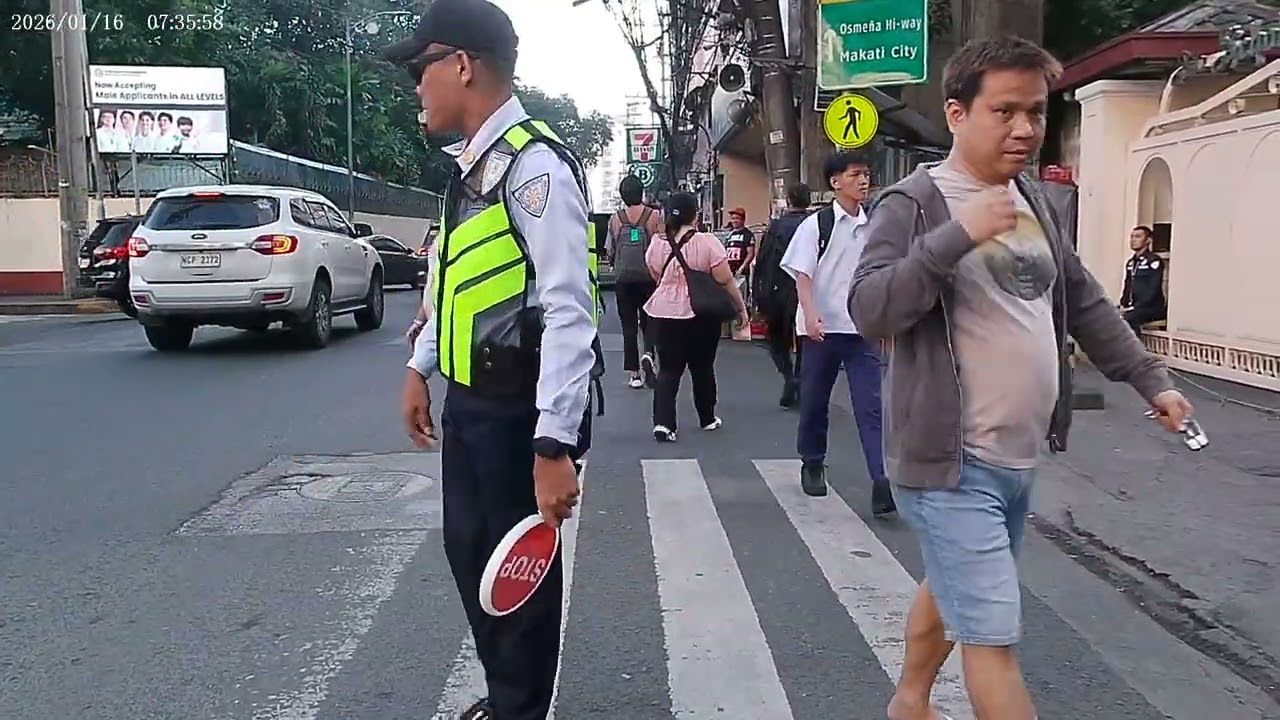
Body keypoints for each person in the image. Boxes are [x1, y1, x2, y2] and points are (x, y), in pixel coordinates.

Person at [848, 37, 1195, 720]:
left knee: (950, 590)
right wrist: (957, 235)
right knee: (991, 636)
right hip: (949, 463)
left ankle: (909, 702)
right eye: (1004, 111)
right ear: (956, 113)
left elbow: (1083, 299)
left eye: (1035, 112)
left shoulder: (1030, 194)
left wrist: (1152, 380)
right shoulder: (913, 203)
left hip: (1014, 456)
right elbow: (870, 308)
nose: (1026, 129)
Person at [388, 1, 602, 718]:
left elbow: (572, 310)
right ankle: (506, 696)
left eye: (422, 69)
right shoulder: (467, 173)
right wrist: (421, 366)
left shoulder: (536, 170)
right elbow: (448, 280)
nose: (416, 86)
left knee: (521, 580)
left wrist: (553, 443)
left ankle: (519, 708)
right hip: (471, 408)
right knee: (472, 558)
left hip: (520, 414)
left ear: (462, 66)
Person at [781, 151, 893, 514]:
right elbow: (803, 275)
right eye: (856, 174)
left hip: (862, 330)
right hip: (821, 331)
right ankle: (812, 461)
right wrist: (811, 315)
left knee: (870, 407)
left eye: (867, 174)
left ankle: (881, 481)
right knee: (814, 400)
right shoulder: (816, 226)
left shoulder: (873, 225)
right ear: (835, 182)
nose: (864, 181)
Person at [644, 191, 749, 442]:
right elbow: (725, 280)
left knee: (668, 369)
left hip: (664, 311)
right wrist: (741, 310)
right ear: (695, 215)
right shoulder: (707, 242)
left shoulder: (658, 242)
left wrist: (672, 285)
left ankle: (663, 423)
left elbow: (653, 271)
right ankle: (707, 417)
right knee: (702, 367)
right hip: (701, 312)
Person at [752, 182, 812, 408]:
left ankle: (789, 375)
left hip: (779, 288)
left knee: (777, 339)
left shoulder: (776, 228)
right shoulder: (815, 224)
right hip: (809, 289)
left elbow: (765, 260)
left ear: (789, 200)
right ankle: (799, 377)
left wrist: (759, 293)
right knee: (806, 340)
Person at [608, 174, 661, 388]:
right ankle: (648, 353)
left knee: (628, 326)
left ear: (622, 195)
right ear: (642, 192)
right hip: (648, 278)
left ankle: (634, 374)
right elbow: (660, 246)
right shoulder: (653, 215)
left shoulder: (616, 218)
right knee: (649, 322)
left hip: (623, 280)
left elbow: (610, 250)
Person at [1119, 225, 1167, 335]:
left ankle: (1133, 349)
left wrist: (1135, 307)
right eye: (1132, 237)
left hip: (1150, 308)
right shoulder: (1131, 263)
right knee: (1109, 314)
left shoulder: (1153, 261)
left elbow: (1153, 289)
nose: (1133, 240)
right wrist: (1123, 304)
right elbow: (1127, 285)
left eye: (1138, 236)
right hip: (1133, 307)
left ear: (1148, 240)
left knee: (1129, 318)